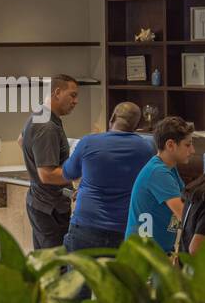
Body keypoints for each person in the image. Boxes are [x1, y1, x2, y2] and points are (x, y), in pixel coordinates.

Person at [60, 102, 154, 252]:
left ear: (112, 118)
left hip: (86, 226)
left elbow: (68, 173)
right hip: (124, 230)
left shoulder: (89, 142)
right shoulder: (147, 149)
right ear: (137, 125)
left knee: (80, 275)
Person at [20, 75, 79, 249]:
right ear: (57, 92)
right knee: (57, 268)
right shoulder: (47, 126)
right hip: (50, 208)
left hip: (41, 202)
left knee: (45, 264)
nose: (76, 101)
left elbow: (20, 140)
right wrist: (80, 173)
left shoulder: (40, 115)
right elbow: (47, 175)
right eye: (73, 95)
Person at [125, 116, 194, 254]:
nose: (192, 150)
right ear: (170, 145)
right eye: (187, 144)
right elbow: (185, 215)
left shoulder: (169, 167)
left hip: (155, 251)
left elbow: (186, 200)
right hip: (144, 256)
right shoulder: (158, 172)